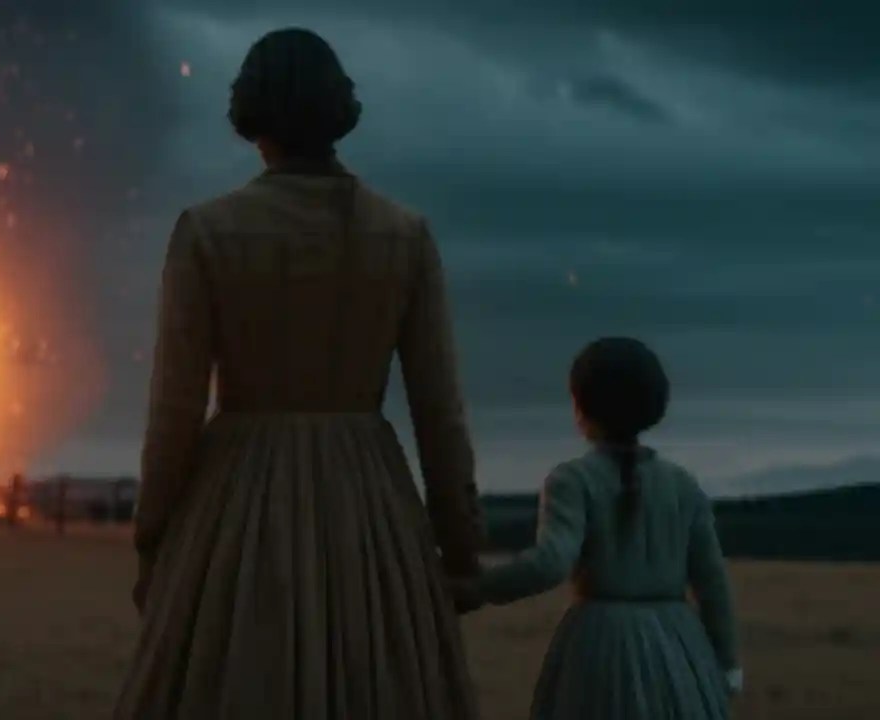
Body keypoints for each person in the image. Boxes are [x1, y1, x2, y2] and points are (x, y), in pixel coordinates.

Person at [114, 27, 484, 719]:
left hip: (236, 511)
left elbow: (174, 411)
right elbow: (442, 418)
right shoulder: (404, 235)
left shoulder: (207, 231)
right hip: (369, 510)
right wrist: (460, 552)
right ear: (337, 110)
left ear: (252, 113)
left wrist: (154, 542)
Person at [460, 337, 742, 719]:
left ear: (580, 405)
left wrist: (474, 588)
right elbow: (712, 583)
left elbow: (549, 564)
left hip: (600, 650)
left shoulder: (572, 480)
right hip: (679, 648)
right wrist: (726, 664)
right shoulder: (682, 485)